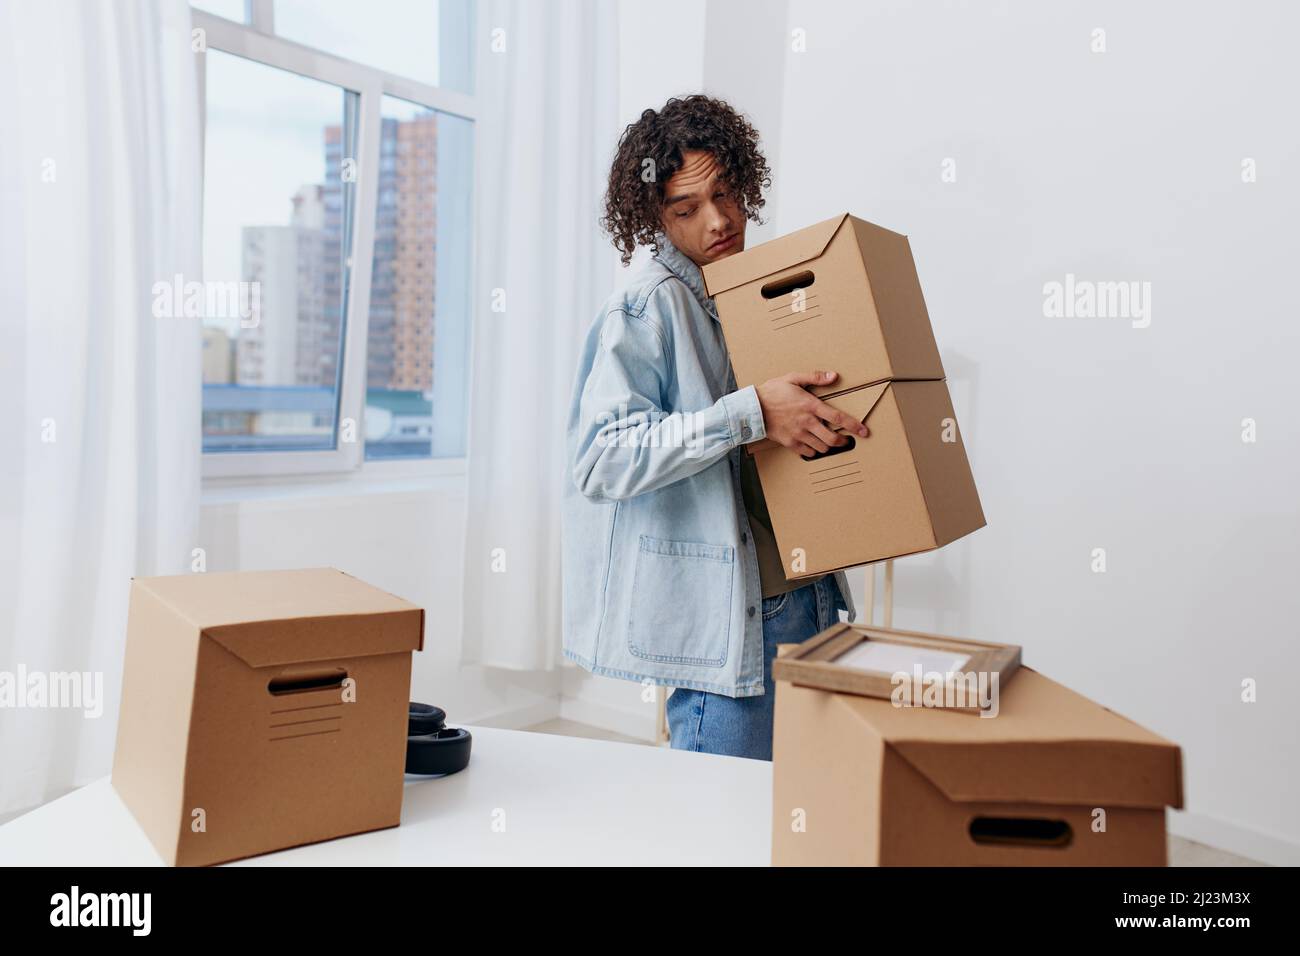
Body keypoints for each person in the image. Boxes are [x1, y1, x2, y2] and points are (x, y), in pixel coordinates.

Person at [561, 94, 869, 760]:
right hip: (730, 618)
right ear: (653, 216)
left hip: (804, 594)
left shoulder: (746, 290)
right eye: (687, 208)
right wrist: (750, 411)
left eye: (727, 194)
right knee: (713, 828)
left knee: (788, 820)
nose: (720, 220)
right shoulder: (647, 306)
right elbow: (601, 459)